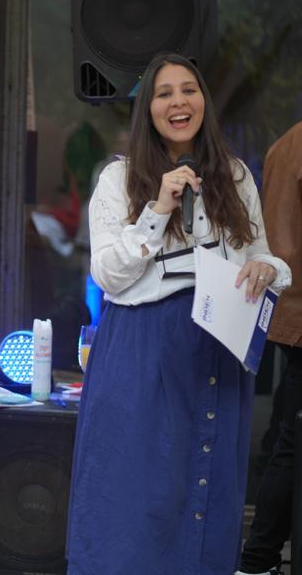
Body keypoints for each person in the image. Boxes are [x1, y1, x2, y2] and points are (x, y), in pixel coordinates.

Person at [66, 52, 292, 574]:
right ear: (147, 109)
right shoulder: (117, 179)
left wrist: (266, 270)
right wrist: (158, 210)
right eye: (164, 93)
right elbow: (108, 275)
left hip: (215, 343)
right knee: (135, 492)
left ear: (203, 102)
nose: (178, 102)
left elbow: (261, 253)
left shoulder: (234, 176)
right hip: (142, 345)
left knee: (204, 488)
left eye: (189, 90)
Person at [236, 120, 302, 575]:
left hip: (290, 309)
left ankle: (257, 558)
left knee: (286, 430)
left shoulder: (287, 142)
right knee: (292, 441)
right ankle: (258, 559)